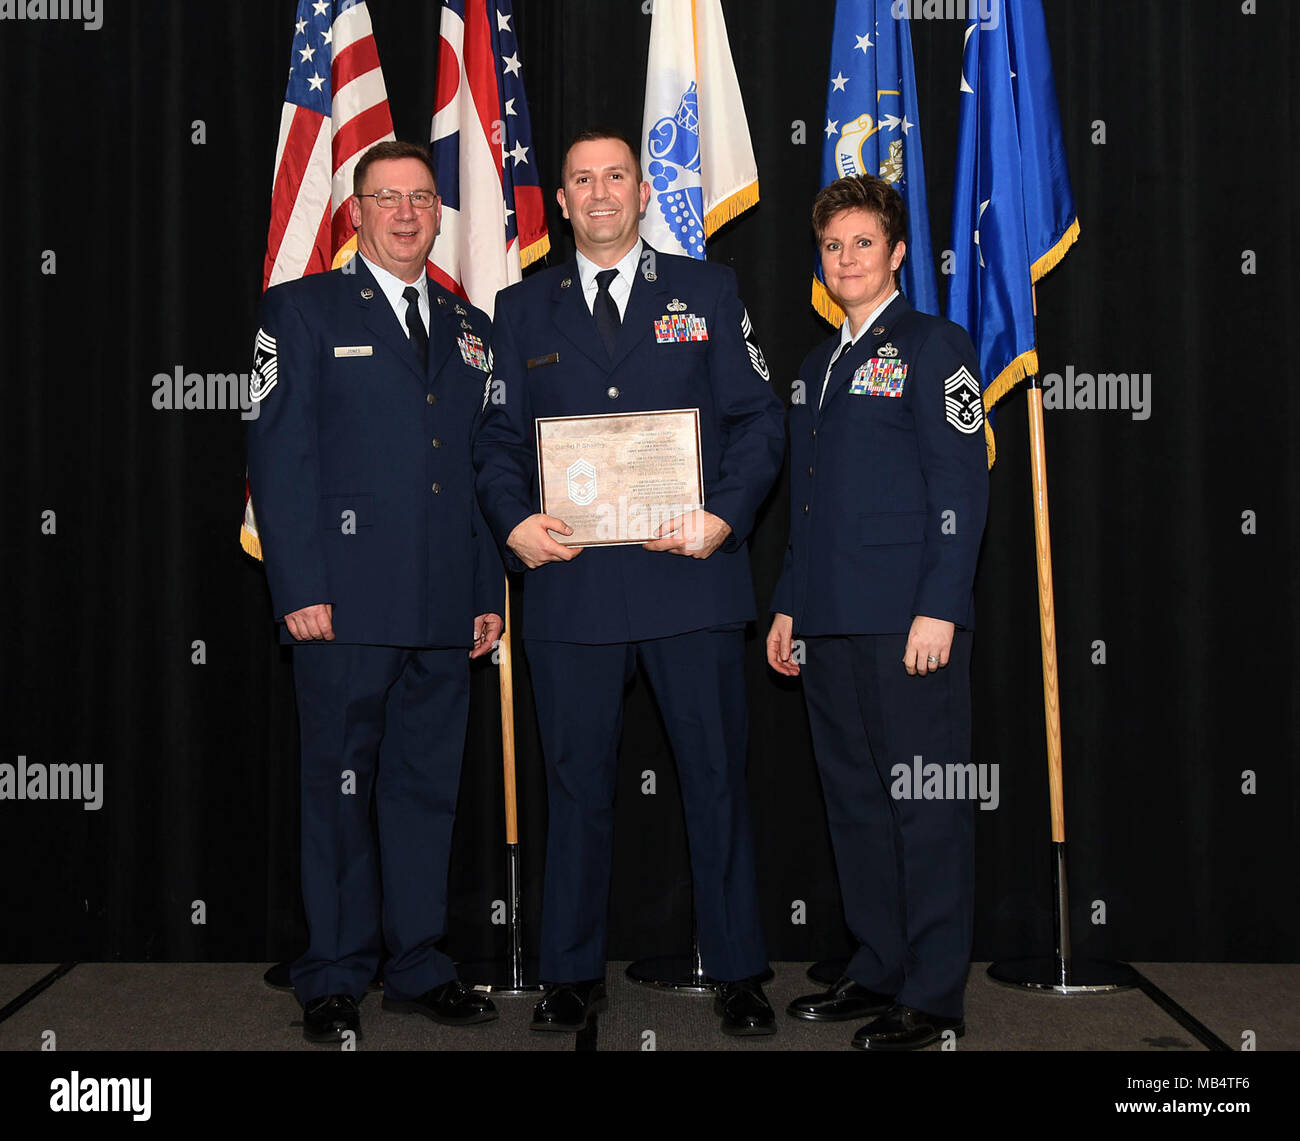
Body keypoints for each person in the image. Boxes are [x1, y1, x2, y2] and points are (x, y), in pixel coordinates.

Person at [474, 128, 784, 1036]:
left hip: (689, 578)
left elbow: (760, 420)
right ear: (559, 202)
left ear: (643, 193)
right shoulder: (519, 308)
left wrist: (723, 515)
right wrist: (512, 521)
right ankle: (571, 971)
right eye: (582, 180)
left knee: (717, 779)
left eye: (617, 177)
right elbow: (496, 442)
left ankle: (736, 968)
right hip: (570, 587)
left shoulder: (707, 290)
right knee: (573, 787)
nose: (600, 193)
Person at [247, 140, 504, 1043]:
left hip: (444, 606)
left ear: (440, 214)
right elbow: (281, 461)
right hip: (342, 605)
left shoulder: (472, 325)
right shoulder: (301, 310)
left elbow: (477, 470)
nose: (405, 214)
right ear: (355, 212)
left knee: (426, 792)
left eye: (421, 199)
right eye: (386, 199)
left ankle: (420, 963)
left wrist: (486, 593)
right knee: (338, 791)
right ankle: (333, 972)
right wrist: (299, 586)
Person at [766, 174, 989, 1050]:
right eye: (832, 245)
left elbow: (962, 486)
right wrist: (788, 607)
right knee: (855, 801)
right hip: (827, 620)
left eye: (863, 243)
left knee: (922, 809)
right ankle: (879, 963)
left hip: (910, 625)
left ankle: (933, 998)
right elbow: (807, 505)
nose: (846, 259)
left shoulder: (940, 346)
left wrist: (940, 608)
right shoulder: (817, 364)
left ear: (898, 252)